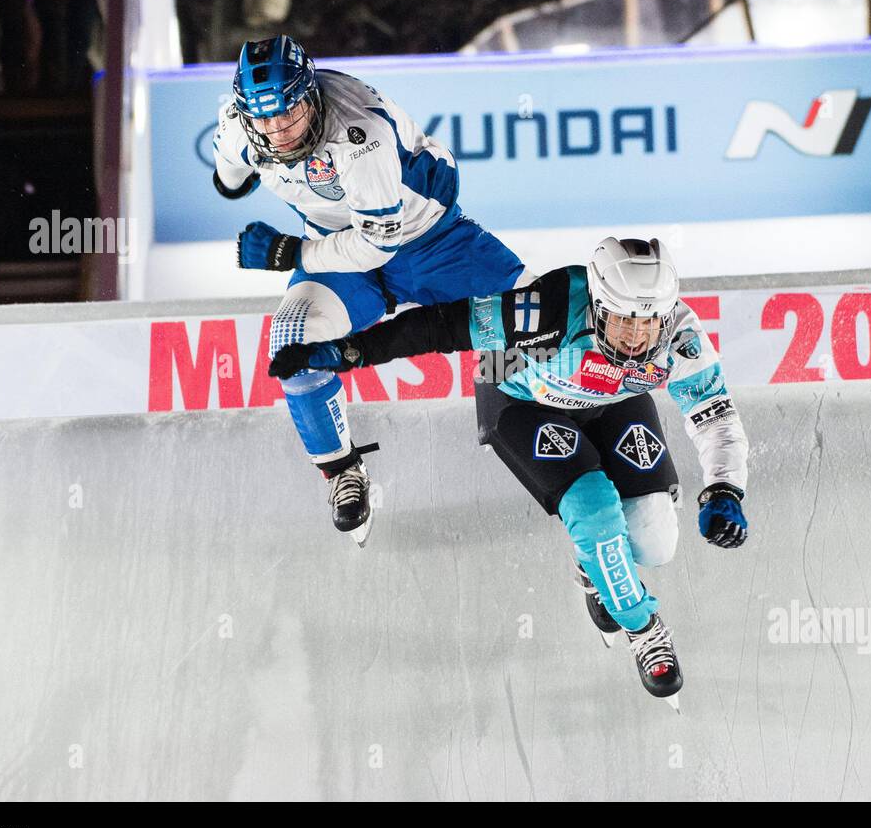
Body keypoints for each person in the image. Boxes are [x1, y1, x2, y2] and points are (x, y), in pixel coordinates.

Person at [269, 238, 750, 706]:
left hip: (613, 402)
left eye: (649, 326)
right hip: (523, 402)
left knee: (656, 543)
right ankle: (644, 630)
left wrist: (725, 487)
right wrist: (350, 352)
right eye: (623, 323)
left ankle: (595, 565)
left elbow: (716, 417)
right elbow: (440, 328)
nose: (636, 340)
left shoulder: (681, 336)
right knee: (596, 511)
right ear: (598, 307)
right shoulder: (550, 308)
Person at [214, 35, 532, 545]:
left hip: (428, 240)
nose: (279, 130)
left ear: (311, 95)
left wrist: (289, 254)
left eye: (290, 112)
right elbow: (229, 176)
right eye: (265, 118)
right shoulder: (237, 125)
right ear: (245, 113)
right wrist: (233, 185)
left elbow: (376, 247)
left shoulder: (361, 135)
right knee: (292, 344)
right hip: (340, 248)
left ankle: (577, 426)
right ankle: (342, 471)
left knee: (540, 321)